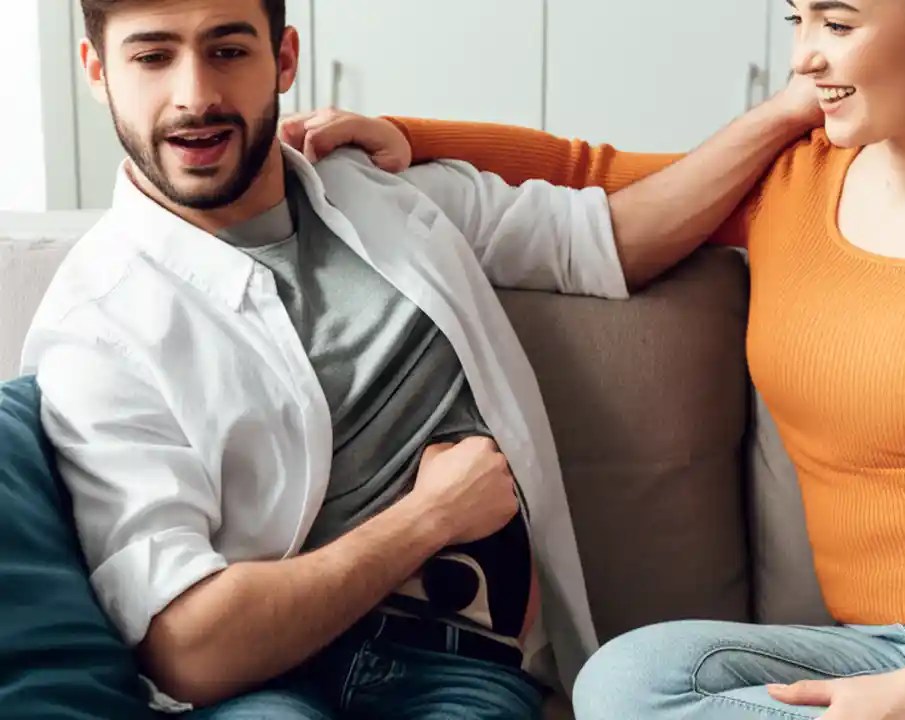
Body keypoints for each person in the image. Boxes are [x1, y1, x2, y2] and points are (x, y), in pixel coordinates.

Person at [284, 0, 905, 718]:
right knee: (626, 682)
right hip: (880, 648)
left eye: (840, 21)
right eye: (798, 18)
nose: (804, 54)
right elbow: (593, 174)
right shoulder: (792, 184)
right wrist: (413, 136)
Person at [22, 0, 818, 717]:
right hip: (260, 687)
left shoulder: (380, 191)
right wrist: (430, 517)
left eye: (228, 50)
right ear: (97, 71)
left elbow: (605, 241)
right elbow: (191, 650)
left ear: (285, 60)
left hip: (457, 671)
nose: (194, 93)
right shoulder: (96, 325)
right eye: (152, 56)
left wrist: (791, 108)